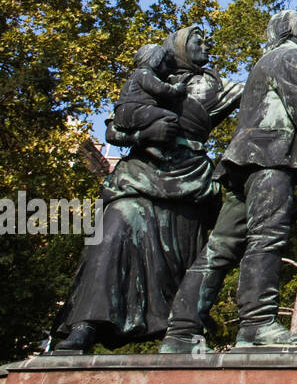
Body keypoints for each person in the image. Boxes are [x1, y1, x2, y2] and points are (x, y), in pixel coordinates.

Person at [161, 10, 297, 352]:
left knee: (221, 246)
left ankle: (181, 331)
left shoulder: (269, 59)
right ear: (287, 28)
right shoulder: (290, 55)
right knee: (266, 238)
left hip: (243, 162)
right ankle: (256, 324)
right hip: (271, 158)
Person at [52, 26, 241, 352]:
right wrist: (144, 135)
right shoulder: (152, 76)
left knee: (180, 263)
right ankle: (84, 326)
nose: (206, 43)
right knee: (113, 234)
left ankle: (181, 332)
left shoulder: (220, 88)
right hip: (139, 176)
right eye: (198, 38)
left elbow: (263, 96)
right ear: (180, 47)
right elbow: (114, 129)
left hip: (188, 181)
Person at [112, 43, 186, 133]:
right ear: (156, 60)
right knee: (171, 117)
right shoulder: (144, 73)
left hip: (121, 113)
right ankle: (151, 134)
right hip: (134, 110)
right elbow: (160, 89)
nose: (169, 69)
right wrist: (176, 89)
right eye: (166, 63)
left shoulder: (136, 75)